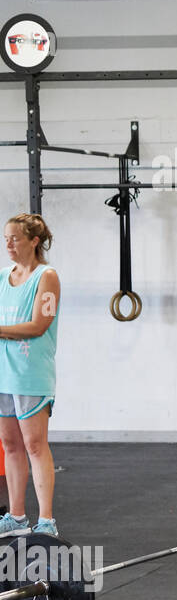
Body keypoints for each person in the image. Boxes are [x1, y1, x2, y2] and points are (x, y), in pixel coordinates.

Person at [0, 215, 61, 537]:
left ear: (34, 241)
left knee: (35, 445)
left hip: (30, 374)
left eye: (15, 238)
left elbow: (39, 326)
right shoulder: (1, 277)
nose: (8, 244)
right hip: (2, 374)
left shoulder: (46, 277)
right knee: (10, 445)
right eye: (6, 238)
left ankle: (47, 520)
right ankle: (16, 516)